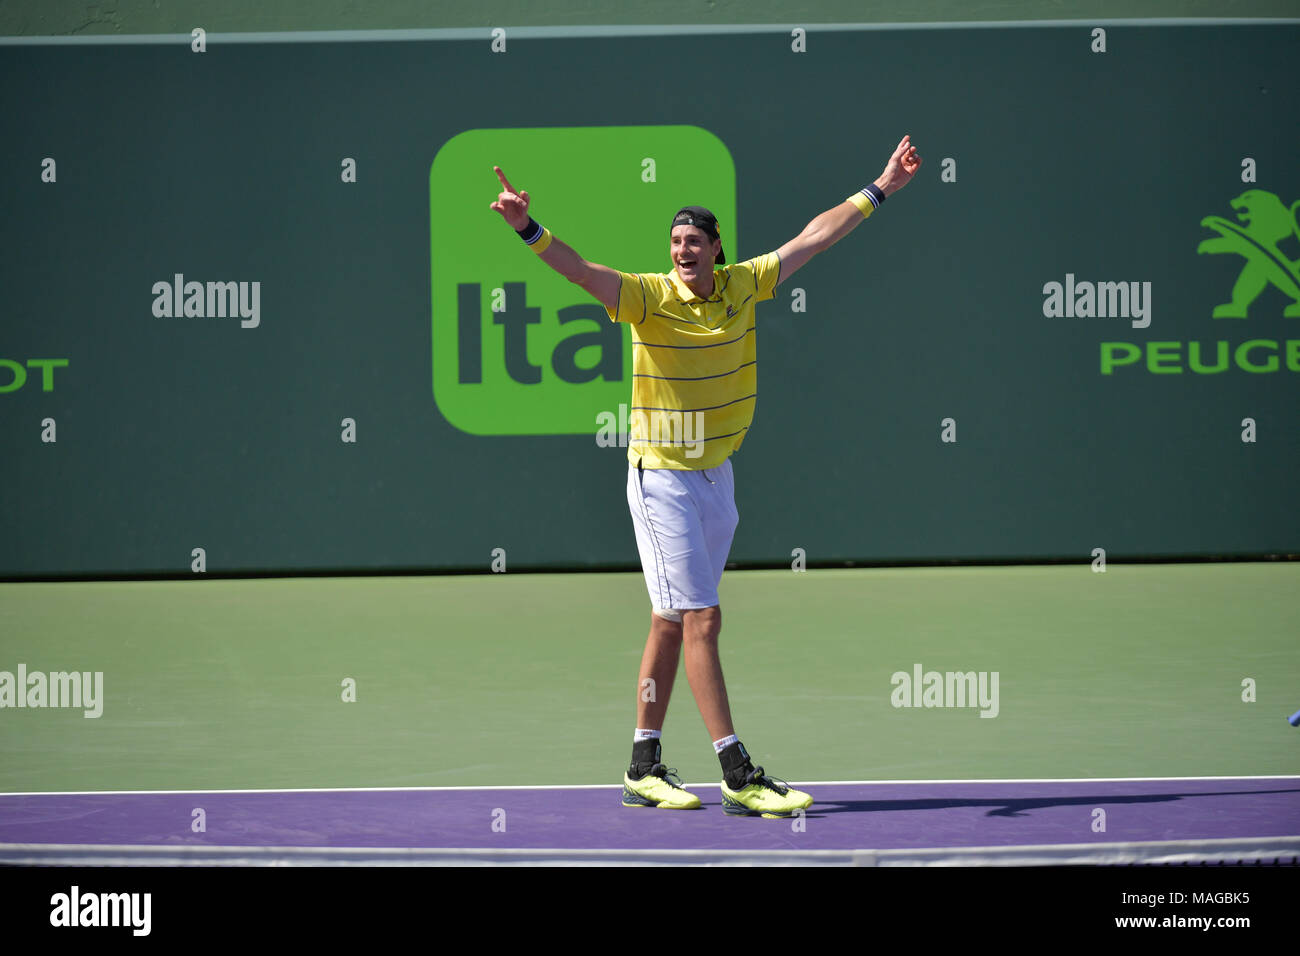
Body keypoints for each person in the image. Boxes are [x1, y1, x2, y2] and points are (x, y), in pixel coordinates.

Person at [490, 135, 922, 817]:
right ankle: (738, 771)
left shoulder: (744, 284)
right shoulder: (645, 298)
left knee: (668, 621)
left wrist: (881, 188)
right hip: (660, 476)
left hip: (716, 477)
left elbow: (813, 239)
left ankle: (643, 766)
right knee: (701, 617)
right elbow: (579, 271)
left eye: (694, 240)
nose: (682, 250)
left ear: (716, 249)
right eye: (675, 241)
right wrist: (527, 228)